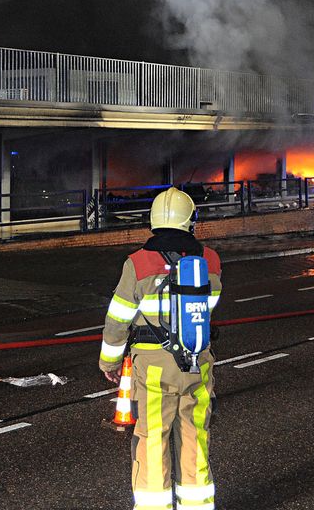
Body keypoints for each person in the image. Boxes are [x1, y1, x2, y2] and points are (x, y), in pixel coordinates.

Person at [99, 187, 222, 510]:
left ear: (153, 221)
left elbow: (118, 319)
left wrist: (109, 362)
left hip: (153, 367)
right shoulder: (209, 259)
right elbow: (208, 308)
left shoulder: (138, 263)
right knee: (196, 438)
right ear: (189, 221)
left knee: (153, 440)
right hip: (198, 362)